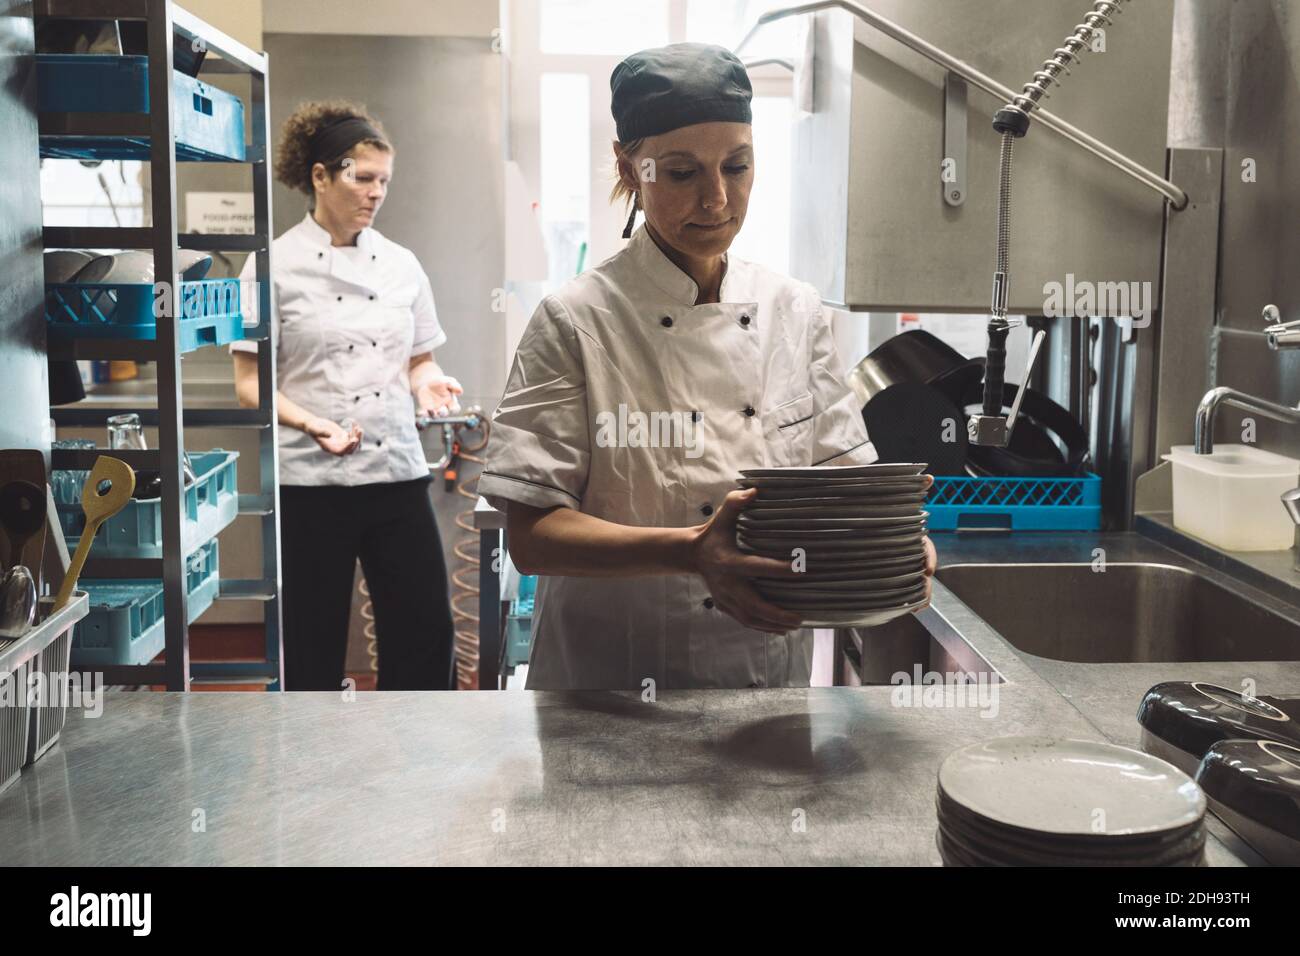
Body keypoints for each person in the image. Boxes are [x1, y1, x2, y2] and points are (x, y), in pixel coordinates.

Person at [480, 44, 936, 691]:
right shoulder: (575, 320)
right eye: (682, 171)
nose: (716, 199)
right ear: (629, 166)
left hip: (762, 682)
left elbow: (844, 482)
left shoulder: (794, 311)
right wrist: (689, 553)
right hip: (608, 689)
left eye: (737, 166)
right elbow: (531, 537)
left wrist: (888, 542)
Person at [232, 101, 461, 691]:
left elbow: (419, 357)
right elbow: (250, 384)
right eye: (362, 178)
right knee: (311, 638)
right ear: (319, 176)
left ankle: (418, 762)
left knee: (424, 629)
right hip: (310, 483)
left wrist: (427, 383)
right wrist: (314, 426)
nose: (376, 193)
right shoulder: (270, 268)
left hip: (397, 470)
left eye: (384, 180)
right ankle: (313, 771)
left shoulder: (402, 265)